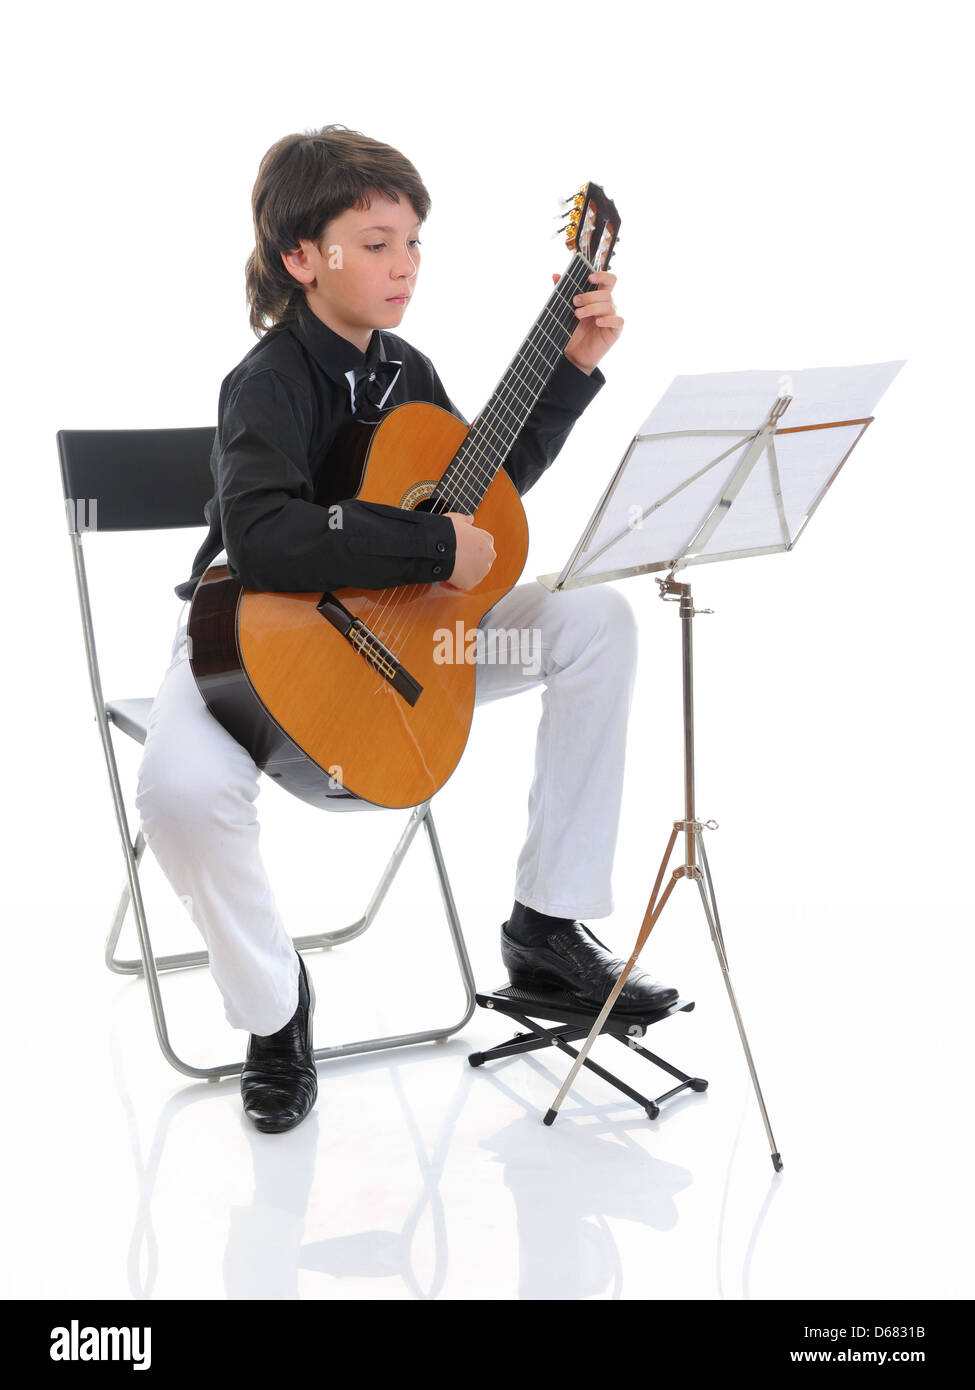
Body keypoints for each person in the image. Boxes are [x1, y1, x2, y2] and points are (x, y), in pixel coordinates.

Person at [135, 125, 678, 1135]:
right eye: (376, 241)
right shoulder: (269, 381)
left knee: (593, 617)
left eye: (415, 242)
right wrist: (431, 551)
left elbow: (477, 499)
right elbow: (263, 535)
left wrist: (568, 374)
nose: (404, 266)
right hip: (251, 647)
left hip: (432, 647)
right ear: (303, 257)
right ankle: (275, 1010)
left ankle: (547, 926)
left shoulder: (406, 369)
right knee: (178, 790)